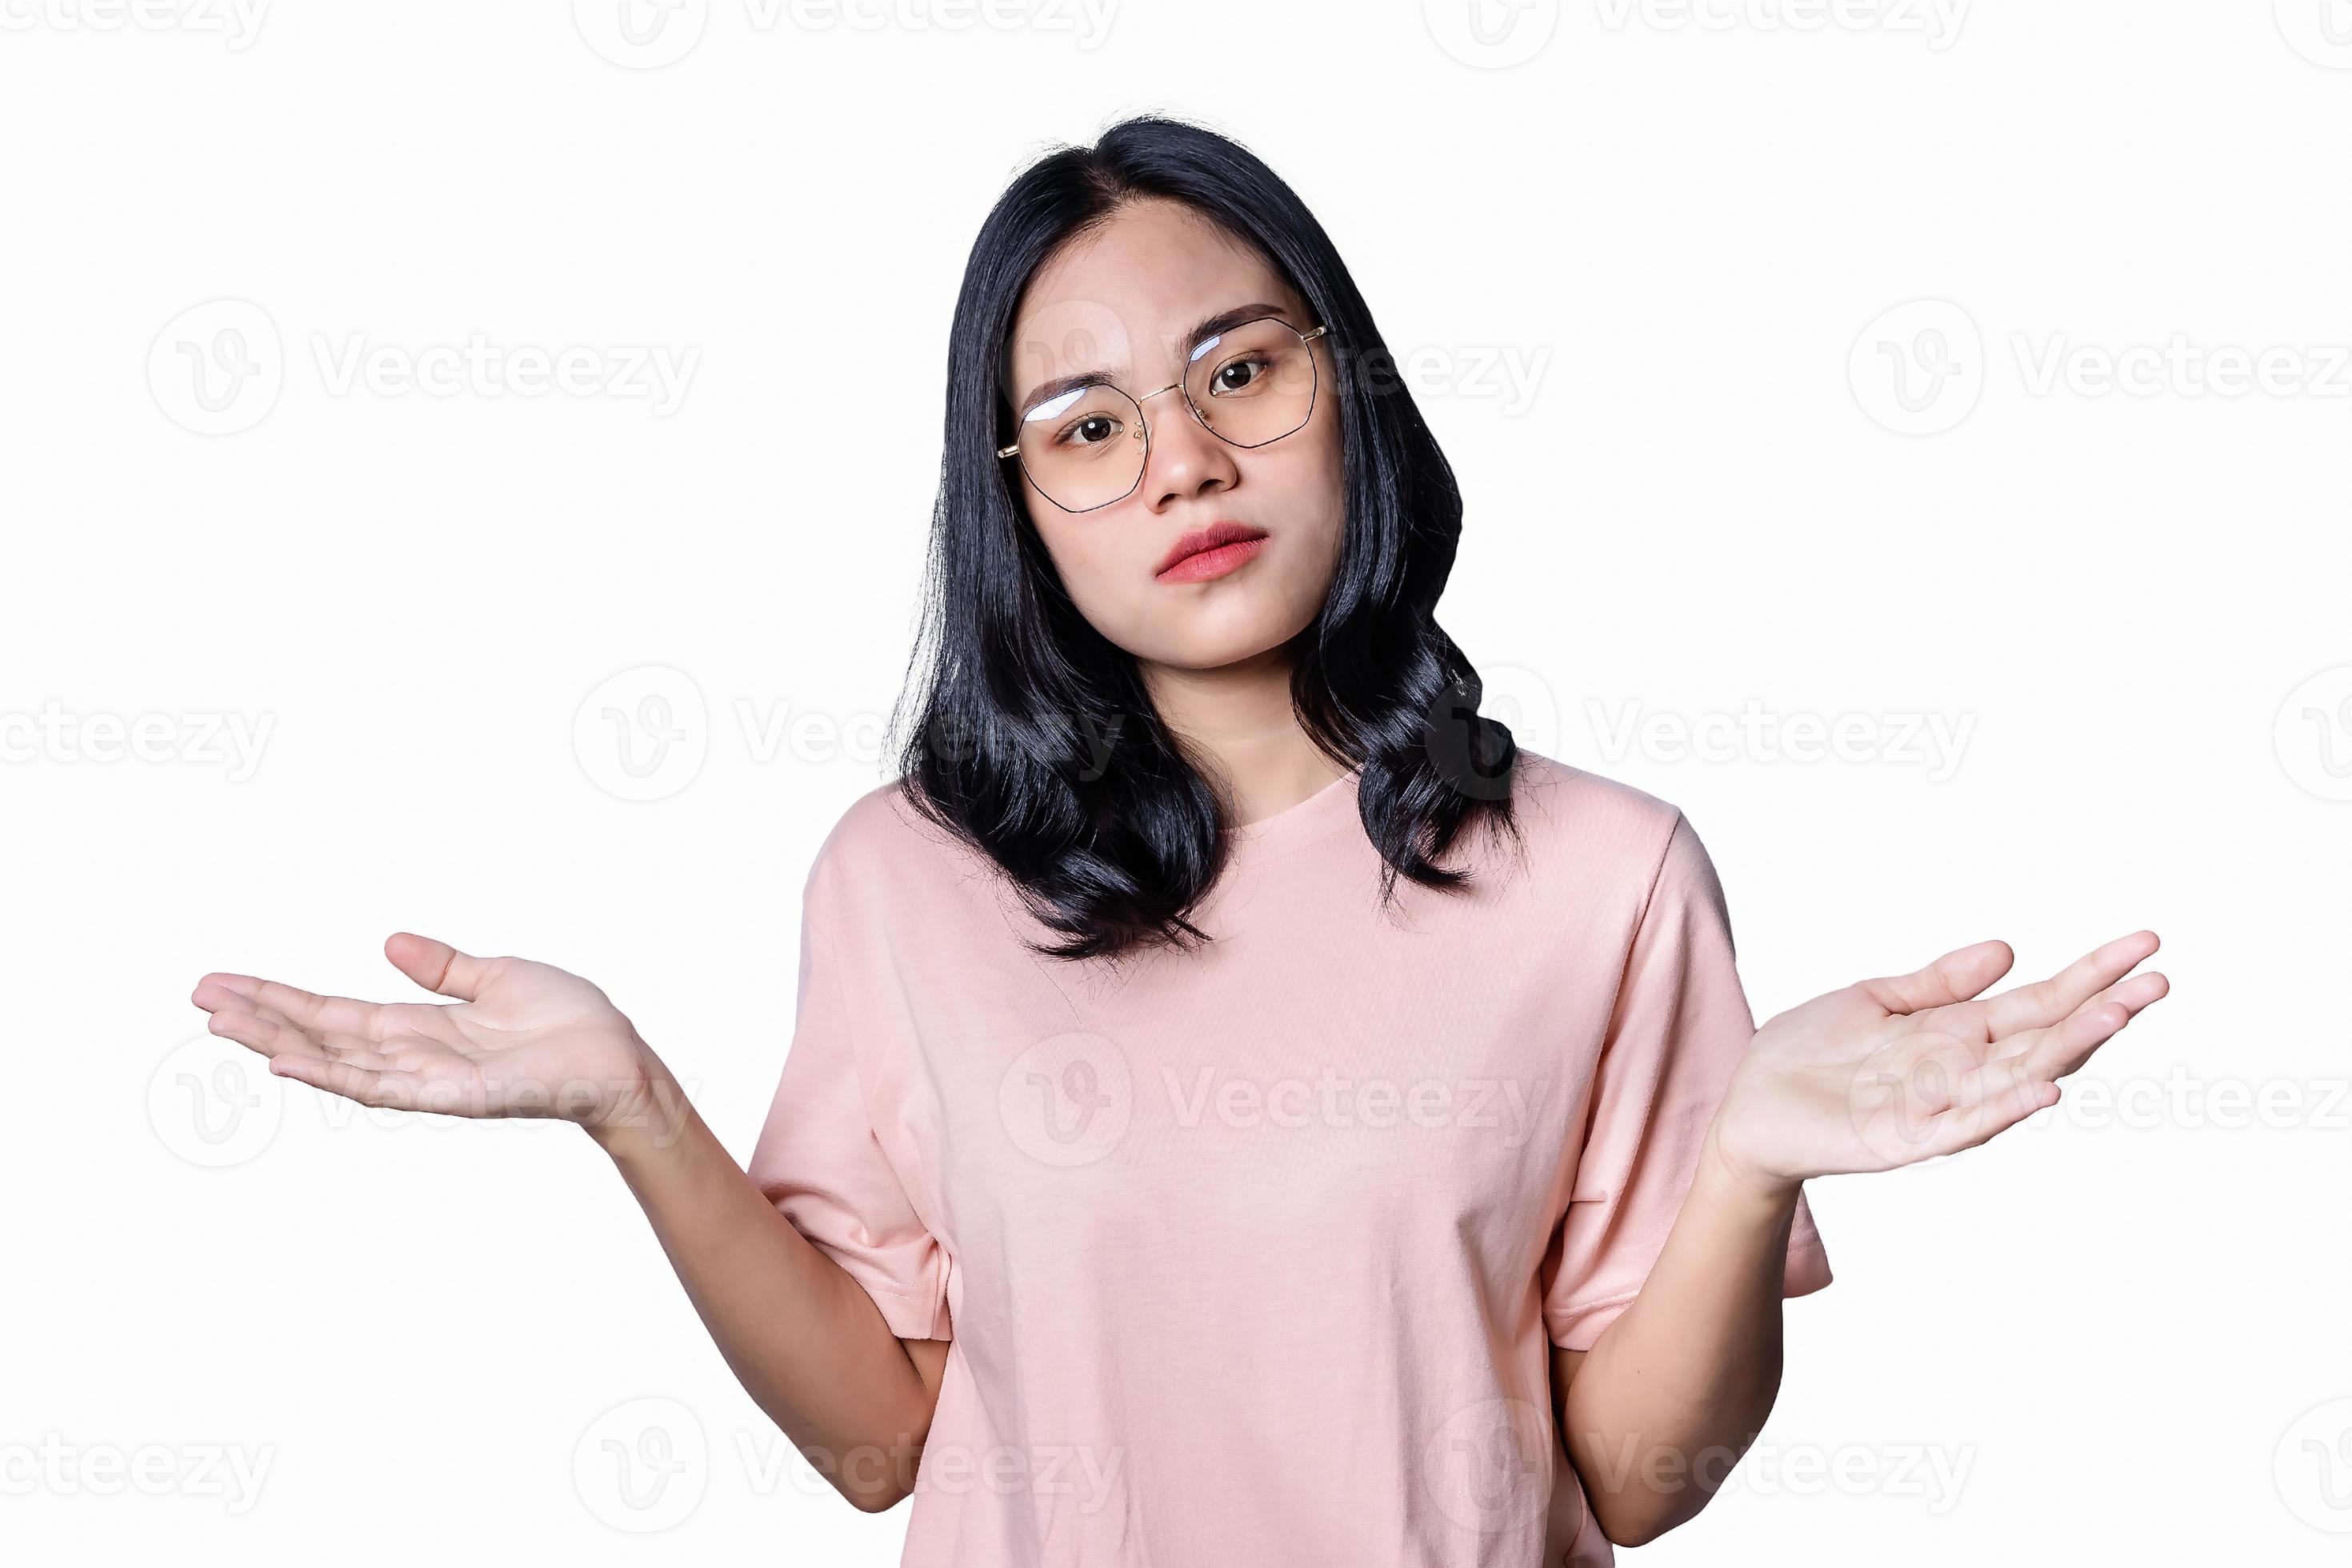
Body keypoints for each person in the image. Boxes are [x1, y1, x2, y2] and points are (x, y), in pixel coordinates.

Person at [189, 114, 2169, 1566]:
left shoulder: (1607, 874)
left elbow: (1628, 1487)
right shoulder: (902, 879)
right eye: (1086, 423)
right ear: (1019, 502)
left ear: (1346, 385)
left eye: (1241, 369)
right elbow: (883, 1440)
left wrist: (1745, 1160)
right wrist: (632, 1101)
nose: (1188, 462)